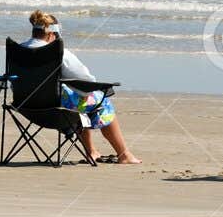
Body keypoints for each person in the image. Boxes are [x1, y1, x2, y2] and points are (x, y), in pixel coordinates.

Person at [22, 10, 140, 165]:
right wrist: (92, 91)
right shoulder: (58, 51)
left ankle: (92, 151)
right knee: (99, 100)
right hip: (55, 110)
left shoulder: (18, 50)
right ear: (52, 35)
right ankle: (124, 154)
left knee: (79, 98)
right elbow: (86, 80)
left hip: (25, 106)